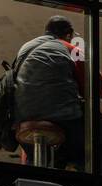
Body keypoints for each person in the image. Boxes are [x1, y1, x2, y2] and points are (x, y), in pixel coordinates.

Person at [12, 16, 87, 168]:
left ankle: (34, 175)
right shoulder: (71, 48)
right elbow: (94, 84)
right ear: (69, 34)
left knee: (34, 156)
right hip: (61, 117)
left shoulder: (26, 47)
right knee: (86, 145)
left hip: (21, 116)